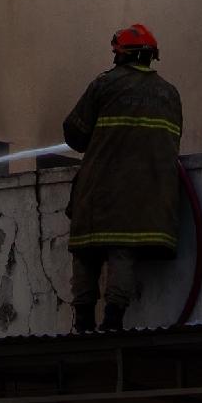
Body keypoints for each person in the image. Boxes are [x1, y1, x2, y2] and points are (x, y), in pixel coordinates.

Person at [61, 22, 184, 333]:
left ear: (120, 54)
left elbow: (75, 133)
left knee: (86, 250)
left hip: (101, 189)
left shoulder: (105, 85)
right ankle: (114, 319)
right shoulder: (170, 94)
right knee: (123, 252)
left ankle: (85, 320)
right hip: (152, 198)